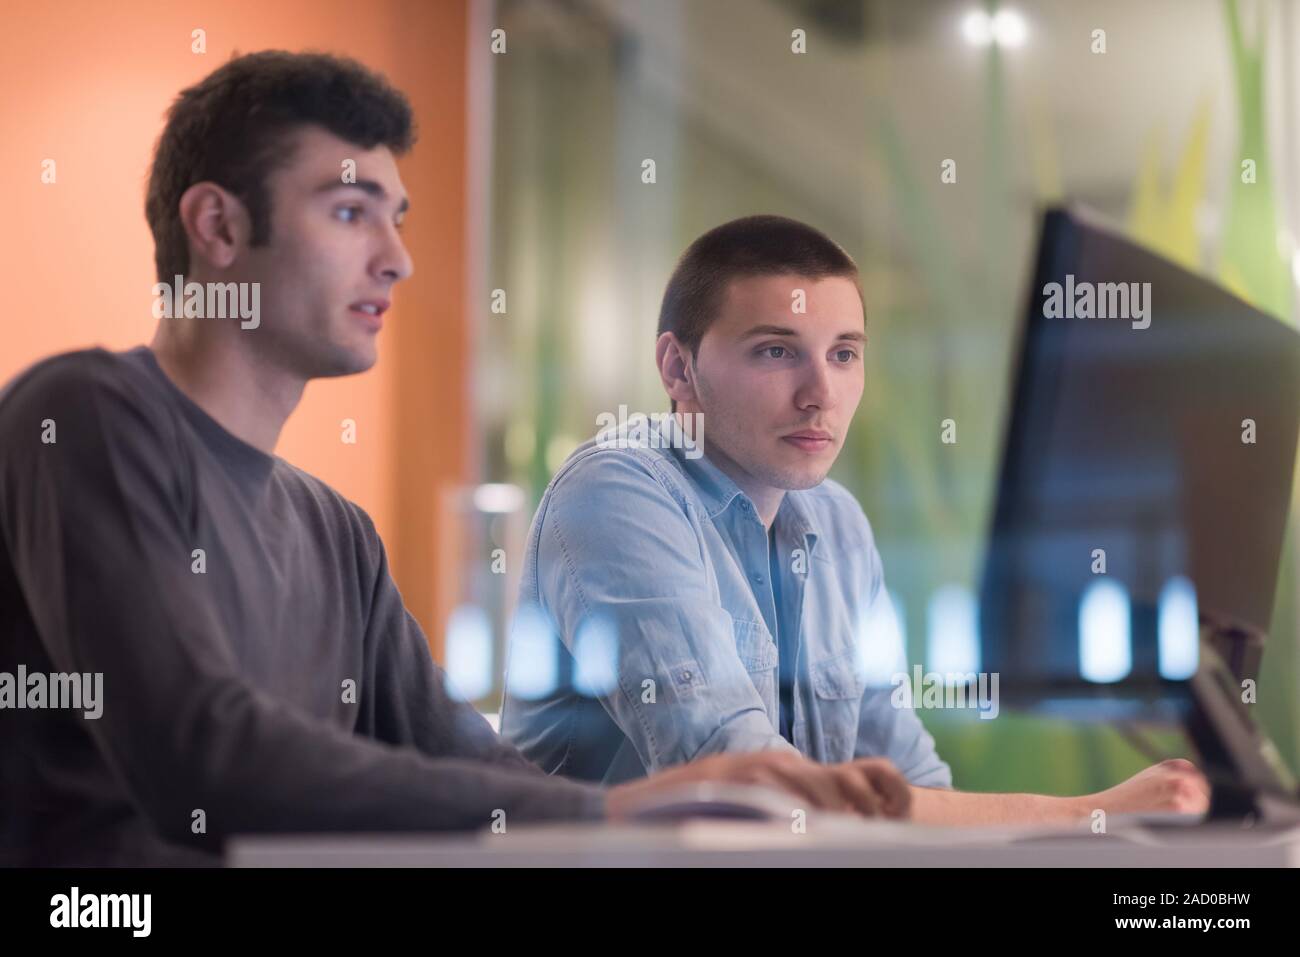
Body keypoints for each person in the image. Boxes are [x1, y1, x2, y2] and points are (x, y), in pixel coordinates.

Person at [0, 55, 909, 867]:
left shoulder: (333, 533)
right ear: (218, 227)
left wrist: (626, 815)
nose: (395, 259)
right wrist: (614, 807)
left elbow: (466, 762)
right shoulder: (85, 415)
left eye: (397, 219)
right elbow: (202, 753)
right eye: (351, 211)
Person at [500, 214, 1211, 825]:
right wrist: (1091, 815)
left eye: (844, 354)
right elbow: (743, 786)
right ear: (678, 368)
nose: (821, 395)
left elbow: (911, 786)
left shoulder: (835, 525)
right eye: (776, 351)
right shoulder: (616, 490)